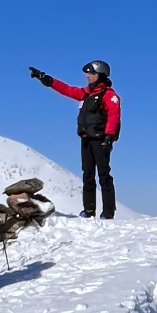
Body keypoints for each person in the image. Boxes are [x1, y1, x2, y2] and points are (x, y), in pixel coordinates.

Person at [28, 60, 120, 218]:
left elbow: (114, 116)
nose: (88, 76)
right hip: (86, 139)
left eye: (92, 74)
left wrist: (109, 137)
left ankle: (108, 213)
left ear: (101, 75)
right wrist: (47, 79)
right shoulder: (86, 93)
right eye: (88, 74)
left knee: (104, 175)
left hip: (101, 140)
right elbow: (66, 90)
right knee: (88, 175)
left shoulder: (109, 95)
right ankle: (89, 211)